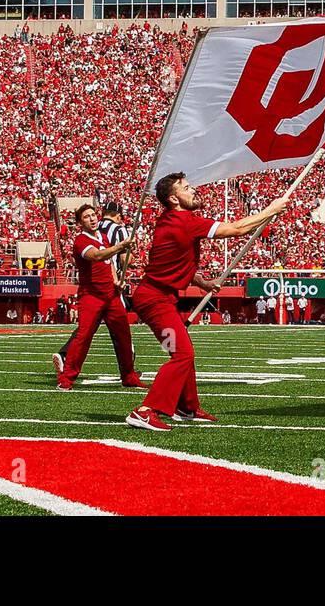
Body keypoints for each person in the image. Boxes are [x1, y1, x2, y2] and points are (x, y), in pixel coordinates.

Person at [125, 172, 288, 431]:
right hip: (155, 301)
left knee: (182, 351)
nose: (193, 191)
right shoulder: (184, 221)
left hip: (159, 298)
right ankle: (145, 410)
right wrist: (270, 210)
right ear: (173, 199)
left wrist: (203, 284)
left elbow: (176, 261)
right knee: (182, 354)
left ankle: (186, 407)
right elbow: (236, 229)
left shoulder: (168, 220)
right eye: (186, 188)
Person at [55, 204, 142, 391]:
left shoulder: (102, 236)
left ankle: (129, 376)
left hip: (110, 294)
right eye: (87, 217)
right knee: (84, 336)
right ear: (80, 222)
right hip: (91, 296)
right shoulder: (81, 241)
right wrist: (120, 246)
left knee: (123, 335)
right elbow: (97, 256)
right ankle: (67, 377)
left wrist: (117, 281)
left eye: (94, 215)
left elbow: (109, 262)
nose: (92, 219)